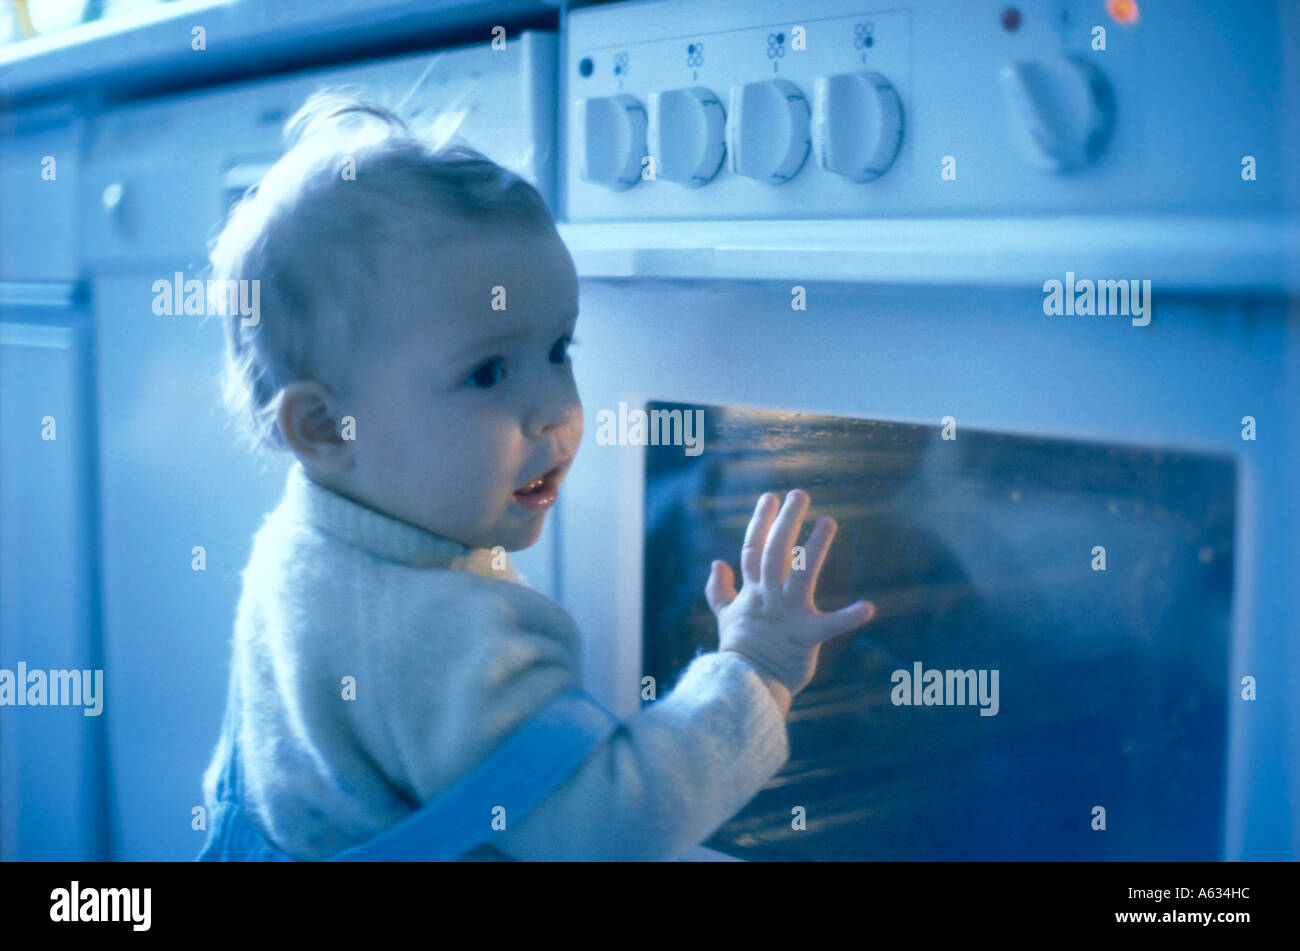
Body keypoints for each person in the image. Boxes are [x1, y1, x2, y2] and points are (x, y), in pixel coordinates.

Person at [197, 90, 875, 861]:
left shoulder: (296, 546)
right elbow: (611, 823)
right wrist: (755, 668)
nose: (554, 408)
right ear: (323, 427)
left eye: (559, 349)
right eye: (487, 371)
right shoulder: (446, 633)